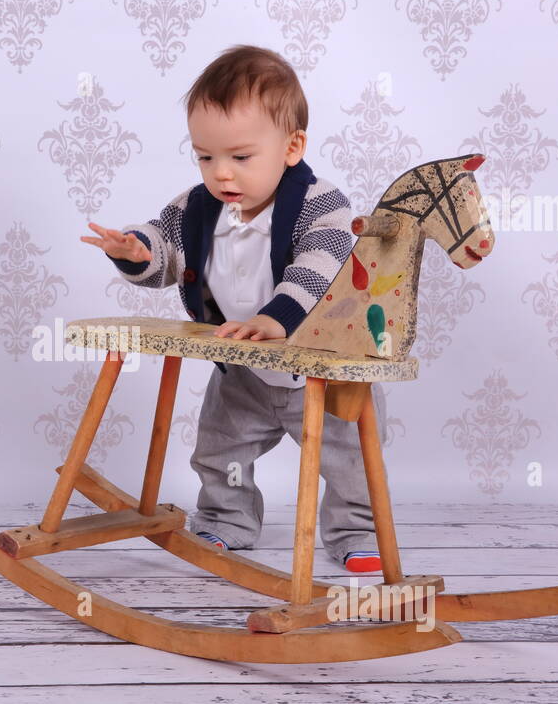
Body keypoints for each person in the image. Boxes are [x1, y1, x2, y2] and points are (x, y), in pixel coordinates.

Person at [79, 44, 389, 573]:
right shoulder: (197, 207)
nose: (221, 173)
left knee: (351, 460)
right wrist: (138, 249)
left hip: (320, 366)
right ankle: (226, 519)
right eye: (205, 156)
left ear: (292, 147)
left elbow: (322, 263)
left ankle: (356, 528)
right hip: (242, 367)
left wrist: (276, 318)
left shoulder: (321, 203)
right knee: (220, 453)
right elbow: (167, 252)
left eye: (240, 157)